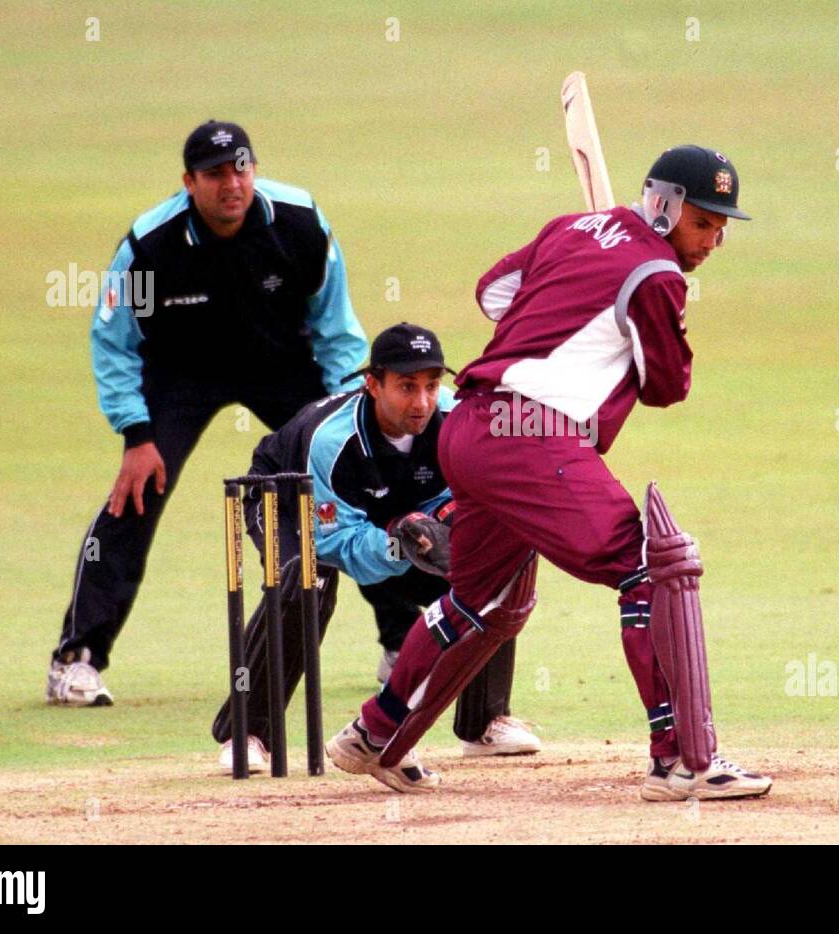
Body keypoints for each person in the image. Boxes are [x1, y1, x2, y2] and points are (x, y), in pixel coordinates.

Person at [326, 145, 773, 800]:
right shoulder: (655, 276)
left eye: (722, 226)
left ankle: (376, 735)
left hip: (470, 429)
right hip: (530, 438)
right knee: (649, 567)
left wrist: (575, 306)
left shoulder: (572, 229)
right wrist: (641, 313)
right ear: (667, 206)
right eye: (704, 222)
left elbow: (494, 293)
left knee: (479, 601)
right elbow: (667, 385)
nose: (715, 239)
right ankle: (679, 761)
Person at [47, 120, 368, 706]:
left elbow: (338, 331)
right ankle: (78, 657)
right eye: (216, 174)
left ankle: (401, 639)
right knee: (138, 493)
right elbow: (114, 341)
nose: (232, 184)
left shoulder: (299, 223)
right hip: (179, 376)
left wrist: (350, 416)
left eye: (241, 168)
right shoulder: (150, 245)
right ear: (188, 182)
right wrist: (135, 432)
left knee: (359, 478)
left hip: (280, 364)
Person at [211, 324, 540, 773]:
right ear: (372, 384)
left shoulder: (453, 420)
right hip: (285, 496)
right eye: (406, 387)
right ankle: (246, 732)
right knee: (307, 579)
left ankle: (484, 721)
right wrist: (401, 544)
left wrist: (439, 522)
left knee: (491, 563)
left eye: (430, 385)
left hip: (389, 502)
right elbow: (335, 542)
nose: (421, 402)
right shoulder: (332, 441)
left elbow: (462, 494)